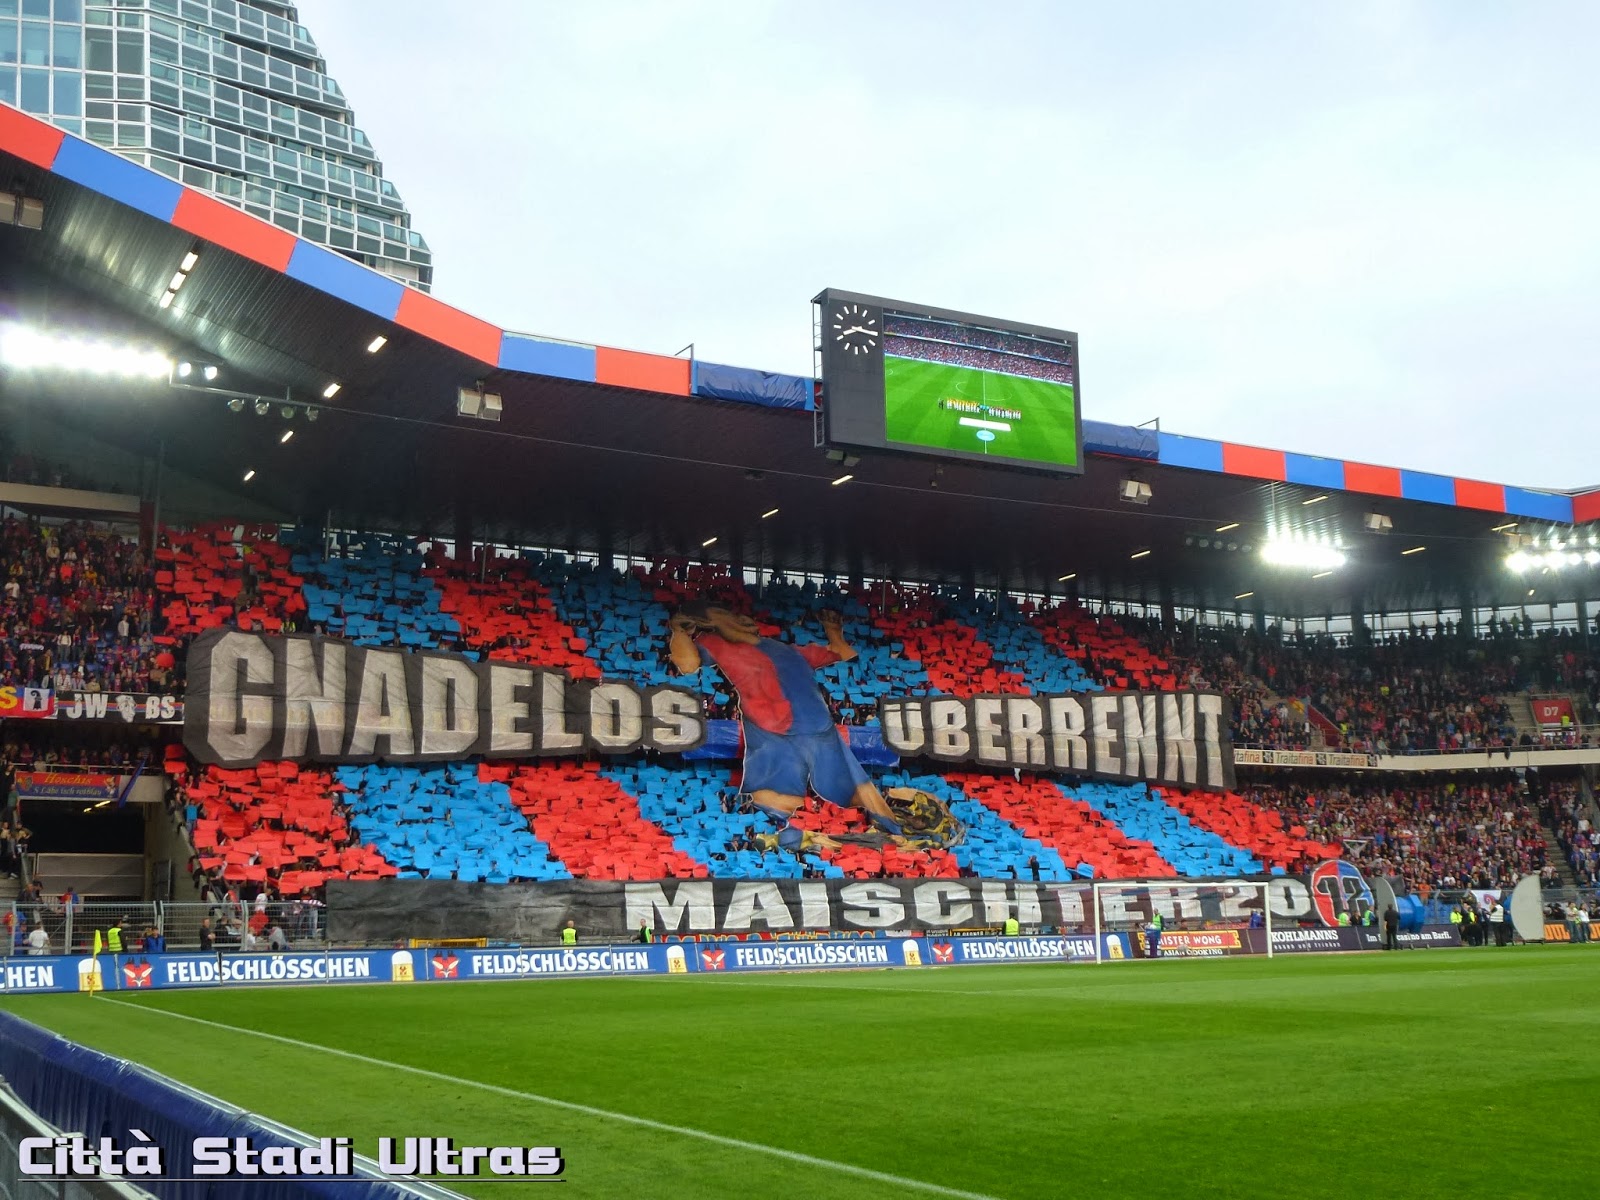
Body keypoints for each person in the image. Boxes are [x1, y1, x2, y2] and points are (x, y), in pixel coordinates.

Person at [668, 602, 954, 851]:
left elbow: (844, 656)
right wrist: (680, 631)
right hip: (774, 737)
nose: (741, 618)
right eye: (720, 612)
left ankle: (891, 836)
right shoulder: (715, 644)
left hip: (822, 733)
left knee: (864, 796)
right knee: (776, 804)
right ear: (706, 623)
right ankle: (779, 840)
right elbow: (688, 664)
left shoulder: (784, 649)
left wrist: (834, 633)